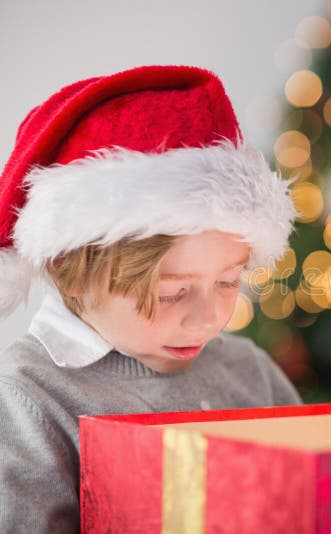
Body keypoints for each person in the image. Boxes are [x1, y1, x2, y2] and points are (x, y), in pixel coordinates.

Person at [0, 65, 301, 532]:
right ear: (70, 272)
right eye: (172, 293)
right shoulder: (29, 399)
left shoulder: (251, 374)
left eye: (227, 282)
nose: (207, 318)